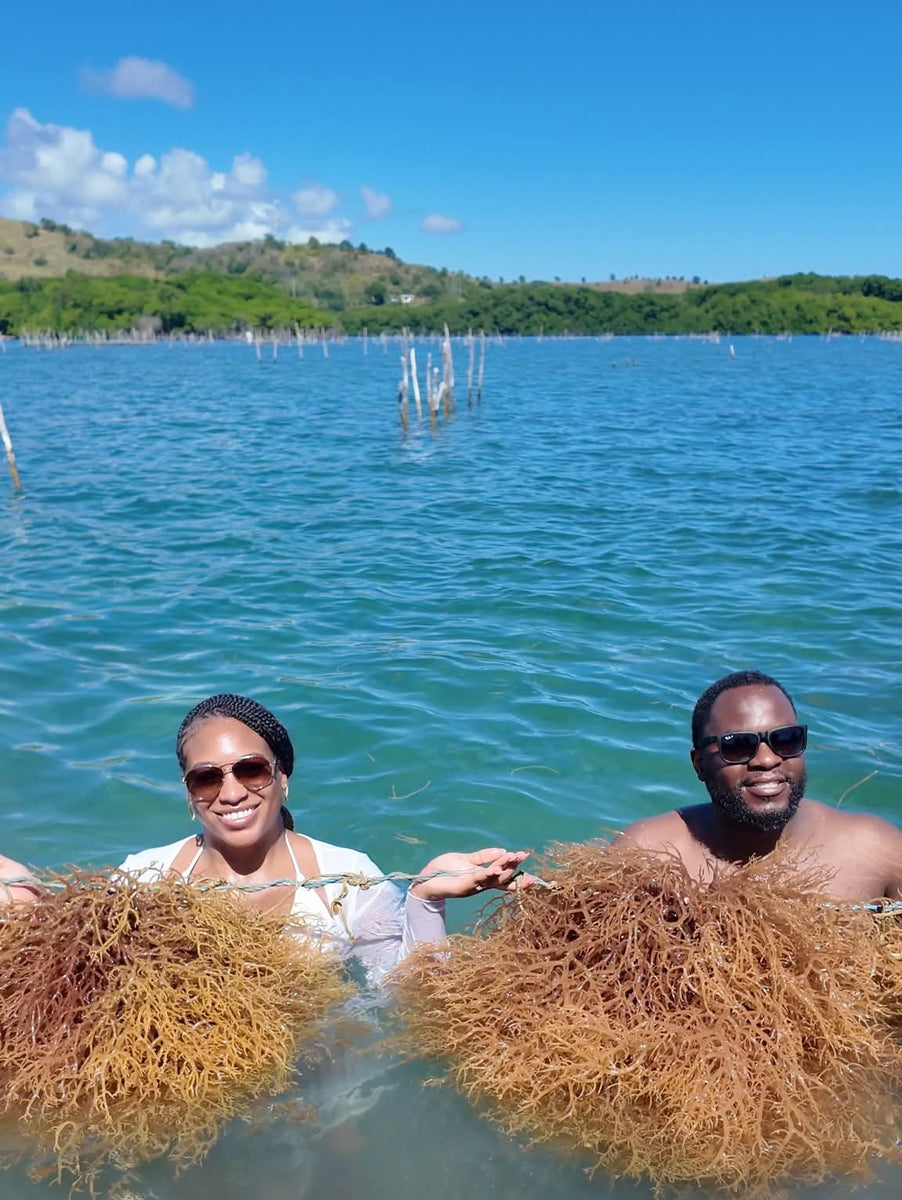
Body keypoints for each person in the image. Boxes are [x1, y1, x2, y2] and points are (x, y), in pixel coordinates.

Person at [120, 694, 528, 978]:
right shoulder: (140, 880)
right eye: (206, 778)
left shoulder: (346, 878)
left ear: (282, 777)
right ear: (189, 794)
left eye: (251, 770)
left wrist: (426, 898)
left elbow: (408, 992)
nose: (231, 793)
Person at [620, 670, 902, 901]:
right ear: (699, 764)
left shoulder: (877, 852)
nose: (767, 760)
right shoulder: (646, 856)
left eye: (786, 739)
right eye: (738, 745)